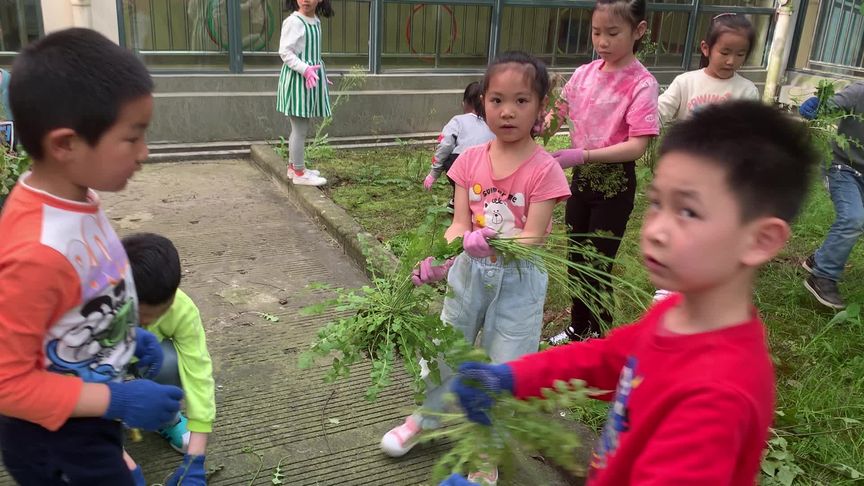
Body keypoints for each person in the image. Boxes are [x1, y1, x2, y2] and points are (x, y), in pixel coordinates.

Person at [442, 100, 818, 485]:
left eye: (688, 211)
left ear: (760, 240)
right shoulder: (677, 315)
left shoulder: (719, 397)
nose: (655, 230)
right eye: (657, 203)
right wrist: (508, 379)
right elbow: (607, 360)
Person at [0, 28, 183, 485]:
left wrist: (124, 341)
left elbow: (83, 295)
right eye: (132, 138)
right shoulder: (36, 252)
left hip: (90, 409)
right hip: (58, 440)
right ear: (65, 145)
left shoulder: (76, 196)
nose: (144, 153)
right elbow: (8, 385)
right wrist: (118, 400)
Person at [380, 51, 571, 486]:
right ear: (482, 103)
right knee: (447, 346)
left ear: (541, 107)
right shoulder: (469, 161)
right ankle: (427, 417)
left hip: (519, 280)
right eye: (497, 100)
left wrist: (494, 244)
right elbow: (459, 225)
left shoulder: (545, 170)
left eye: (521, 101)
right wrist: (441, 259)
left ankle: (486, 447)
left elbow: (533, 238)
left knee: (505, 363)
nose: (508, 111)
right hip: (468, 272)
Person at [547, 0, 660, 344]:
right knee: (576, 258)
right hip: (581, 181)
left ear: (638, 31)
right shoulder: (583, 75)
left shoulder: (641, 83)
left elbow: (637, 146)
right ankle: (579, 327)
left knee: (598, 262)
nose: (602, 42)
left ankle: (597, 335)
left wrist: (583, 155)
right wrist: (529, 126)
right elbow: (554, 117)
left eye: (613, 33)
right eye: (596, 32)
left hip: (614, 185)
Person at [652, 12, 759, 302]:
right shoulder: (686, 82)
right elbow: (659, 112)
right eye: (725, 52)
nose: (731, 61)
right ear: (706, 48)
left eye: (740, 54)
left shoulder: (746, 90)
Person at [121, 233, 215, 486]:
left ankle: (167, 421)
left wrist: (196, 459)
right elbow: (77, 383)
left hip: (144, 361)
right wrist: (124, 466)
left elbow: (198, 372)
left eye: (158, 315)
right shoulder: (92, 312)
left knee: (171, 363)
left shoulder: (182, 308)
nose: (146, 324)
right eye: (139, 318)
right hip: (92, 372)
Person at [799, 82, 864, 309]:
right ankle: (823, 277)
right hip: (842, 167)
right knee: (853, 218)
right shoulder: (859, 92)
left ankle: (820, 258)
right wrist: (817, 107)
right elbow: (828, 108)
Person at [276, 0, 334, 186]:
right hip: (297, 82)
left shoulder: (315, 21)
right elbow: (285, 52)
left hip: (308, 81)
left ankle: (293, 167)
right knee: (300, 129)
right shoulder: (294, 22)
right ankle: (300, 173)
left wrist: (320, 75)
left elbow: (313, 55)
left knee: (298, 128)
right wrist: (305, 69)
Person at [423, 81, 495, 211]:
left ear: (465, 103)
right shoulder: (492, 123)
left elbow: (445, 145)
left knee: (451, 160)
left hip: (463, 167)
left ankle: (459, 199)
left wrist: (434, 173)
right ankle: (483, 200)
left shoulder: (458, 120)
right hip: (489, 168)